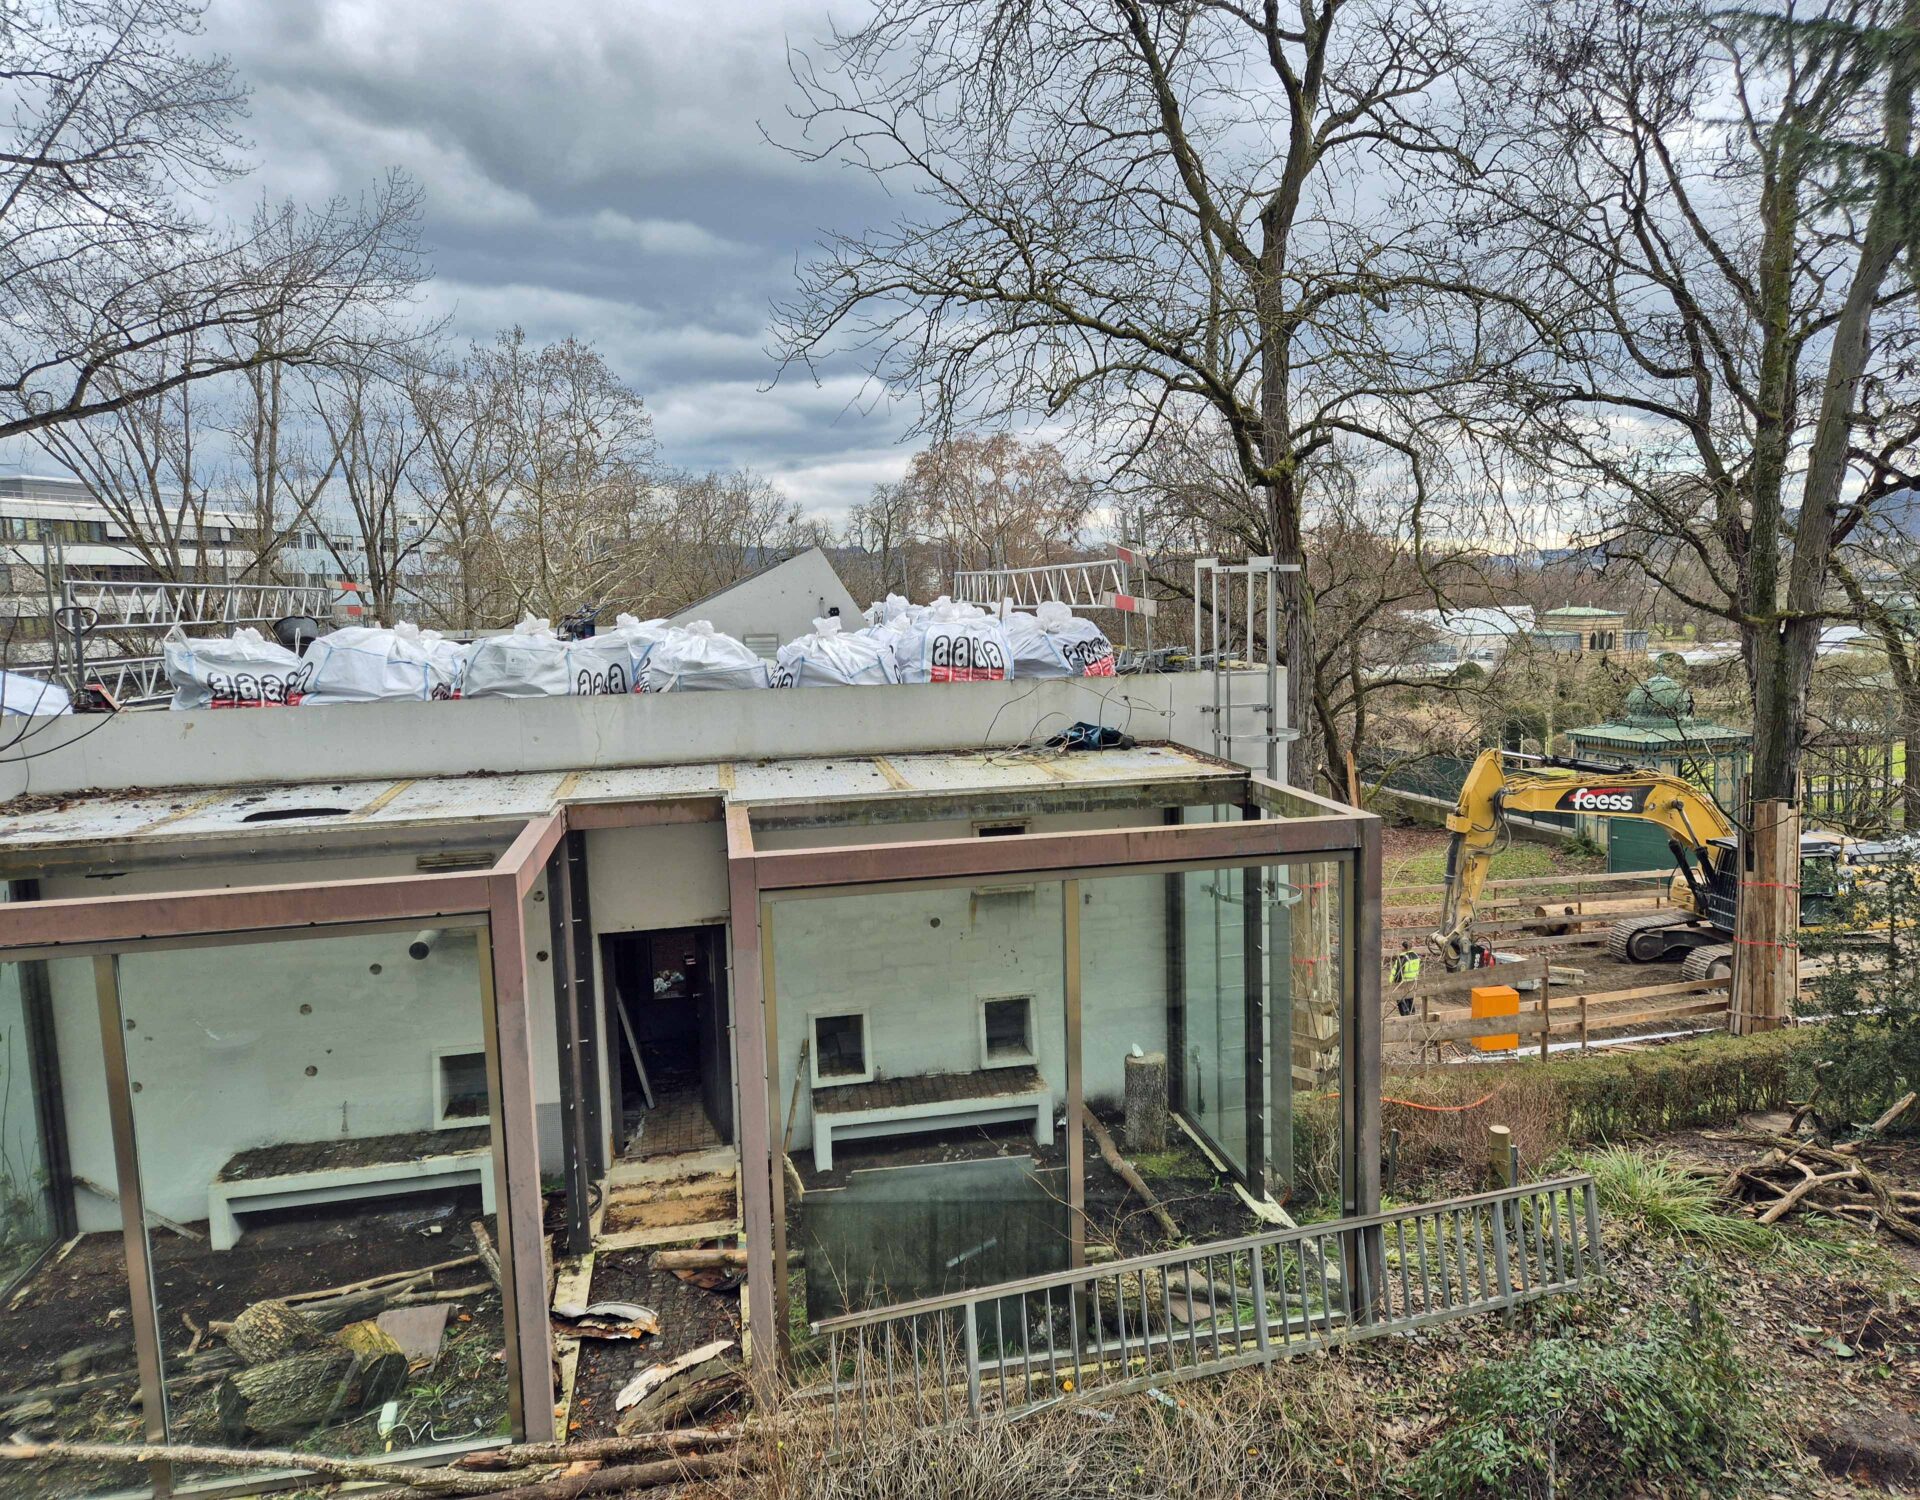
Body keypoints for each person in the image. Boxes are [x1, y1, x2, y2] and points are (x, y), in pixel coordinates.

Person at [1392, 940, 1420, 1015]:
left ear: (1404, 948)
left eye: (1401, 946)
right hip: (1413, 980)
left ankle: (1405, 1015)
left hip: (1403, 981)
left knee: (1400, 999)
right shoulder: (1416, 956)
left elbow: (1397, 972)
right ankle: (1412, 1013)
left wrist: (1393, 982)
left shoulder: (1403, 958)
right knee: (1410, 998)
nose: (1400, 947)